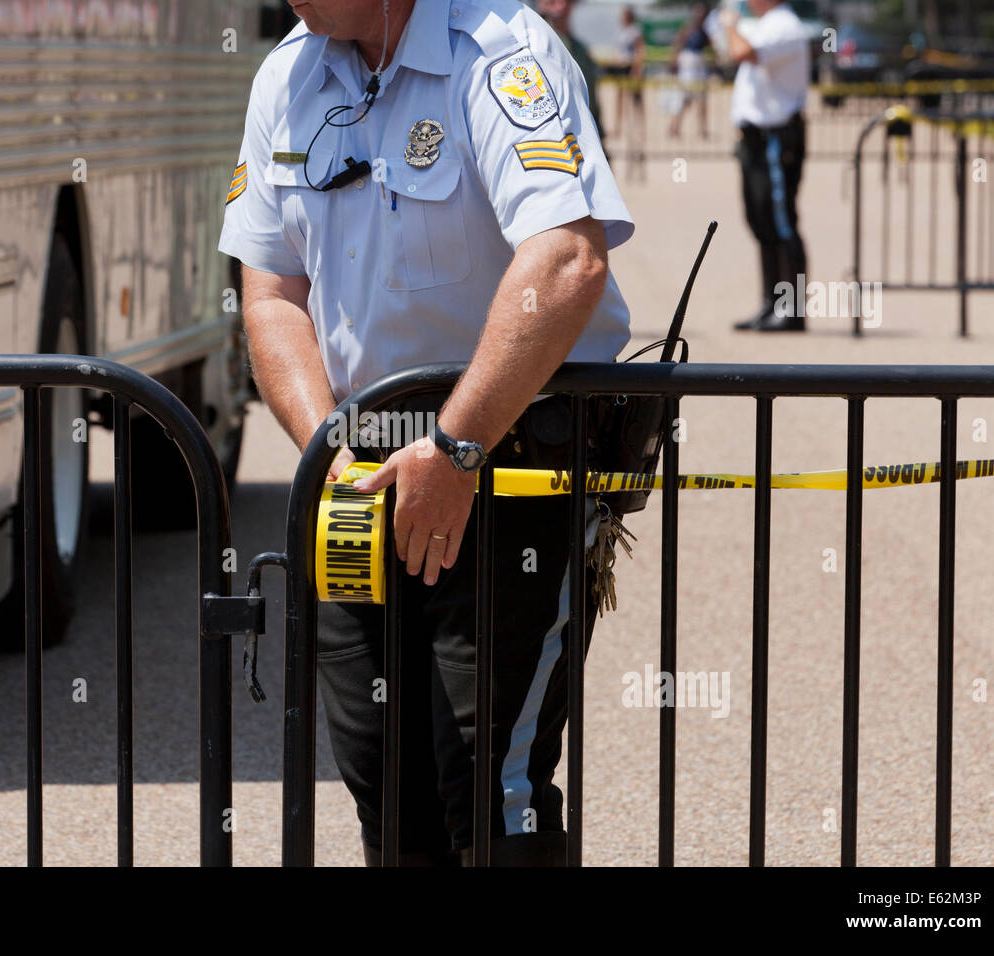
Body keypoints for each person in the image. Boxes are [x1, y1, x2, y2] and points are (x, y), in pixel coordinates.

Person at [219, 0, 635, 866]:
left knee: (490, 789)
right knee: (386, 786)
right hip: (361, 484)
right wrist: (323, 451)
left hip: (506, 465)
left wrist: (456, 445)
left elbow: (566, 258)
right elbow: (270, 294)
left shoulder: (498, 50)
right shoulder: (287, 74)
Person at [721, 0, 811, 332]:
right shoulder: (765, 25)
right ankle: (771, 303)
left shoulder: (783, 25)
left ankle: (793, 310)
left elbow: (741, 52)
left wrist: (730, 24)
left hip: (776, 137)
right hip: (756, 139)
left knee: (781, 221)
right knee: (761, 222)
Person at [537, 0, 606, 146]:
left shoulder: (580, 51)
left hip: (583, 141)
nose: (560, 6)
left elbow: (591, 101)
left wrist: (599, 135)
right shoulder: (534, 49)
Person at [668, 2, 711, 140]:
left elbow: (712, 48)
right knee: (684, 100)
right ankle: (674, 128)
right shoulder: (687, 30)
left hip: (699, 69)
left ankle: (702, 130)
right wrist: (673, 64)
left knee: (701, 101)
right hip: (687, 68)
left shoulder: (704, 32)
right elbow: (677, 47)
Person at [608, 5, 645, 142]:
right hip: (621, 67)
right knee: (619, 98)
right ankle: (618, 128)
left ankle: (640, 128)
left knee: (637, 100)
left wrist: (637, 69)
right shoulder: (621, 31)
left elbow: (639, 51)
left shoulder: (635, 31)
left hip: (631, 67)